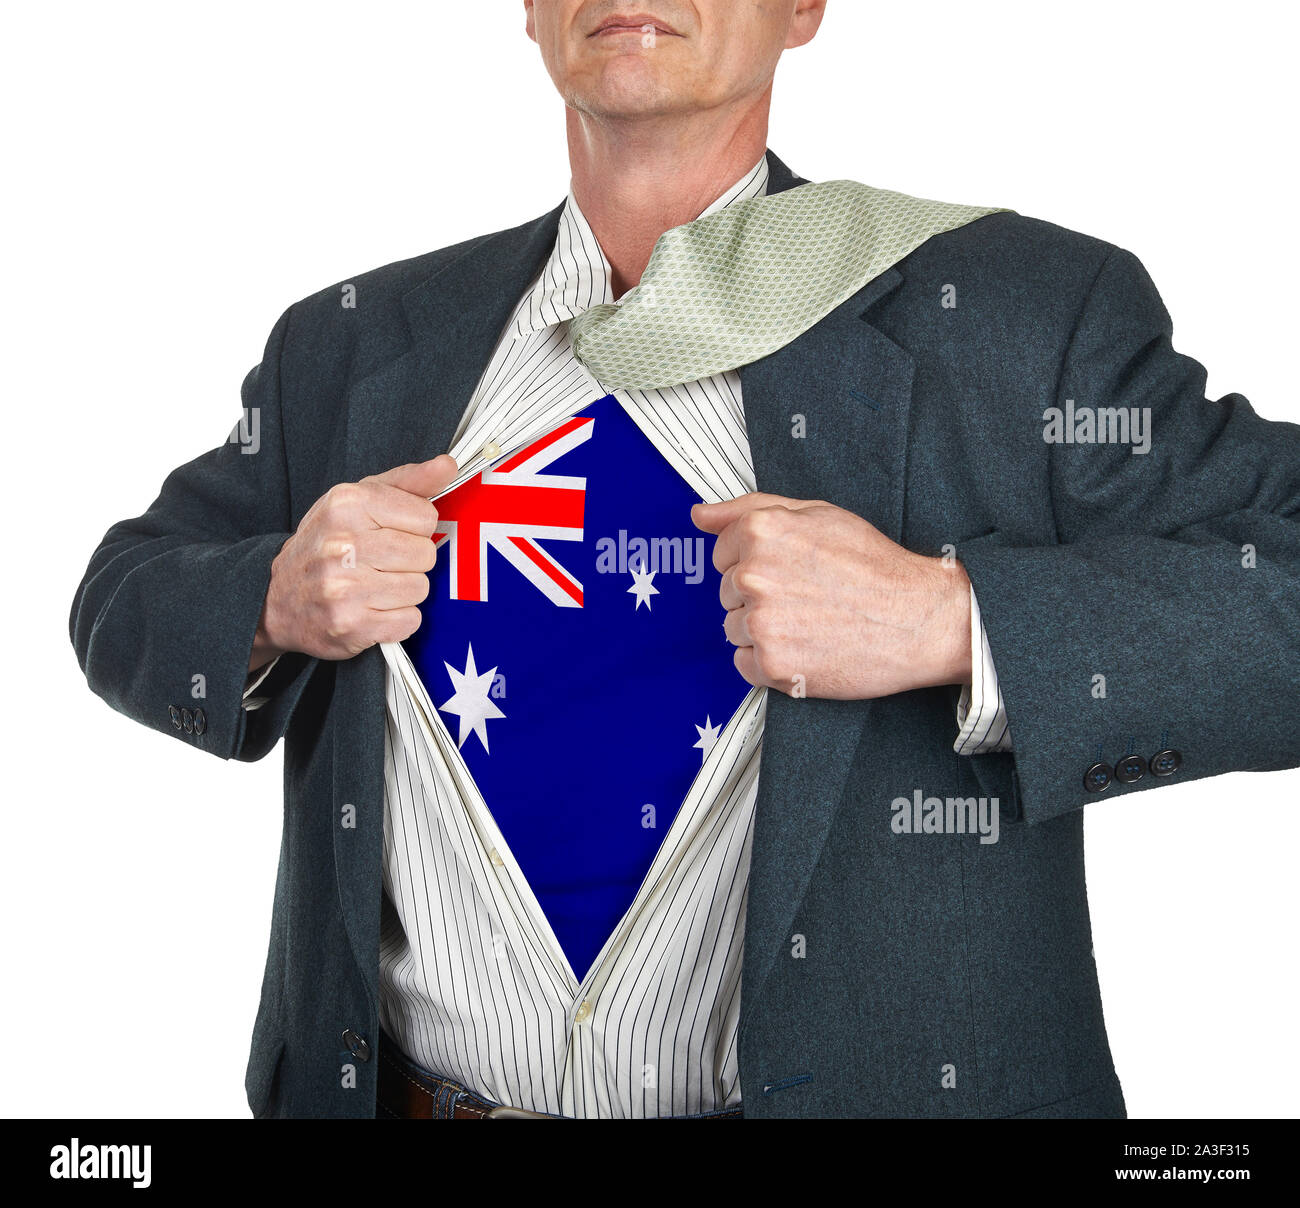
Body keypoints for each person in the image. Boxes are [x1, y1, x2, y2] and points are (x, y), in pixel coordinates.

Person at [69, 0, 1300, 1119]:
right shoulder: (348, 344)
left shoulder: (1025, 320)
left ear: (803, 9)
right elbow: (122, 591)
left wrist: (950, 620)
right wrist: (276, 600)